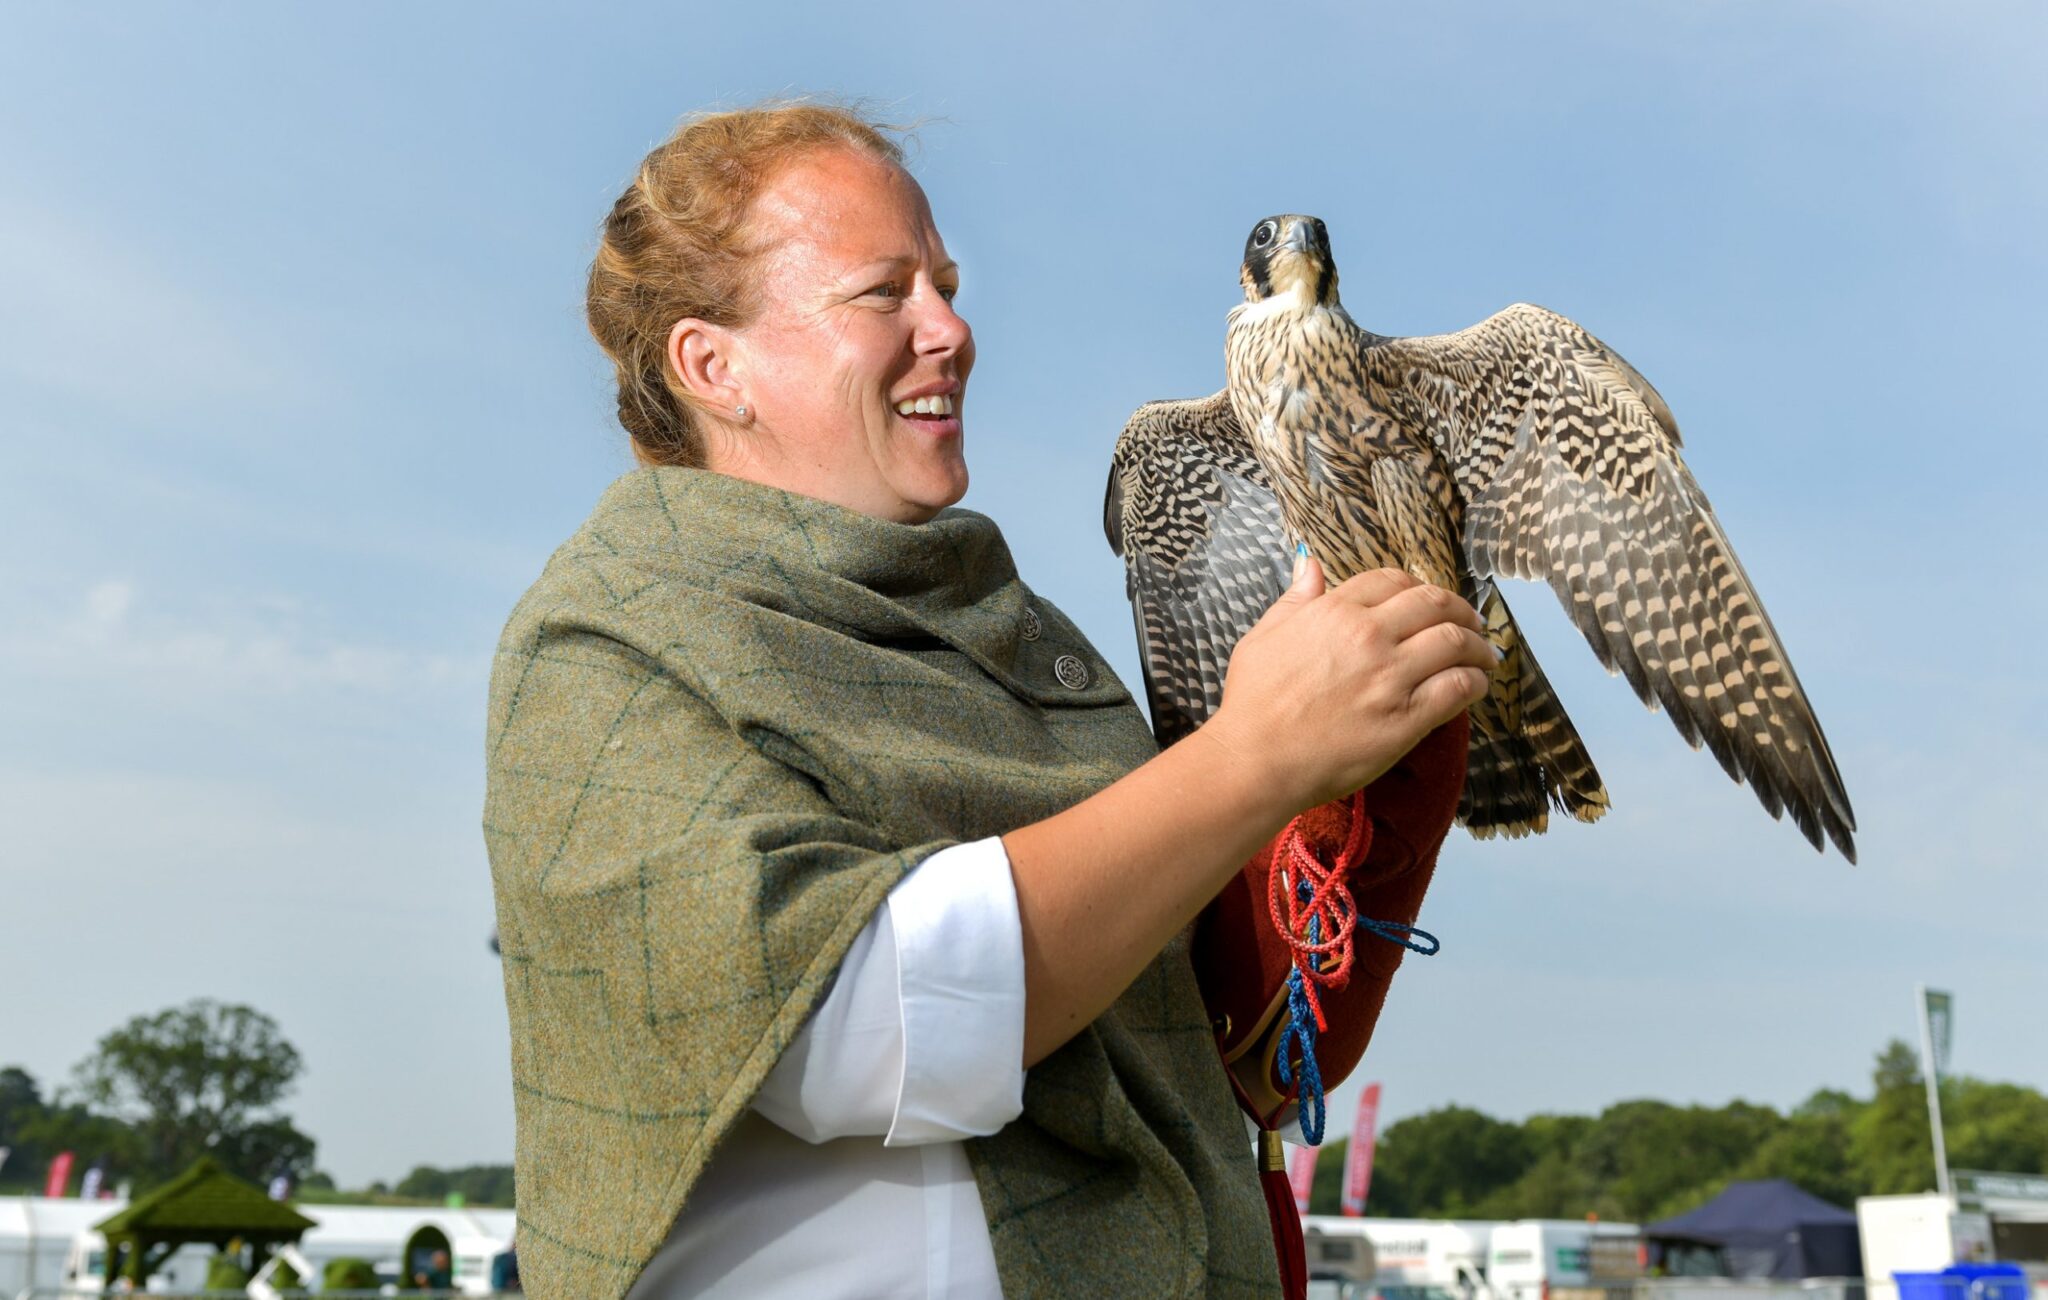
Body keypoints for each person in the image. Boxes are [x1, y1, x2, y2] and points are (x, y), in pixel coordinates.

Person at [483, 101, 1495, 1299]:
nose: (950, 329)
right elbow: (856, 1029)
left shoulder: (1024, 643)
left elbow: (1217, 1067)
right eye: (883, 292)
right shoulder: (611, 639)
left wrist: (1301, 877)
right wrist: (1251, 760)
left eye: (947, 284)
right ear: (713, 364)